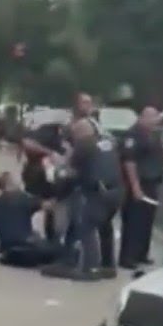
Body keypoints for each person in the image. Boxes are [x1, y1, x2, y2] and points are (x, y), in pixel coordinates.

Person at [43, 118, 123, 281]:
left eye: (73, 134)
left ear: (79, 133)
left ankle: (90, 268)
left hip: (97, 192)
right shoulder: (107, 143)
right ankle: (107, 266)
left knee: (86, 226)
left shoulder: (84, 145)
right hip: (116, 191)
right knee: (104, 226)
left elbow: (71, 172)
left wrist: (55, 170)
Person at [0, 171, 62, 268]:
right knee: (58, 249)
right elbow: (48, 206)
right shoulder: (23, 198)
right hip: (29, 250)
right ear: (10, 183)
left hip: (7, 255)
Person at [118, 106, 163, 269]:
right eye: (153, 118)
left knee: (146, 221)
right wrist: (135, 187)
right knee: (134, 221)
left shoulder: (152, 135)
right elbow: (129, 162)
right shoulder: (133, 135)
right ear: (144, 117)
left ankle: (141, 254)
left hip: (152, 182)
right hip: (139, 183)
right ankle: (128, 257)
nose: (156, 122)